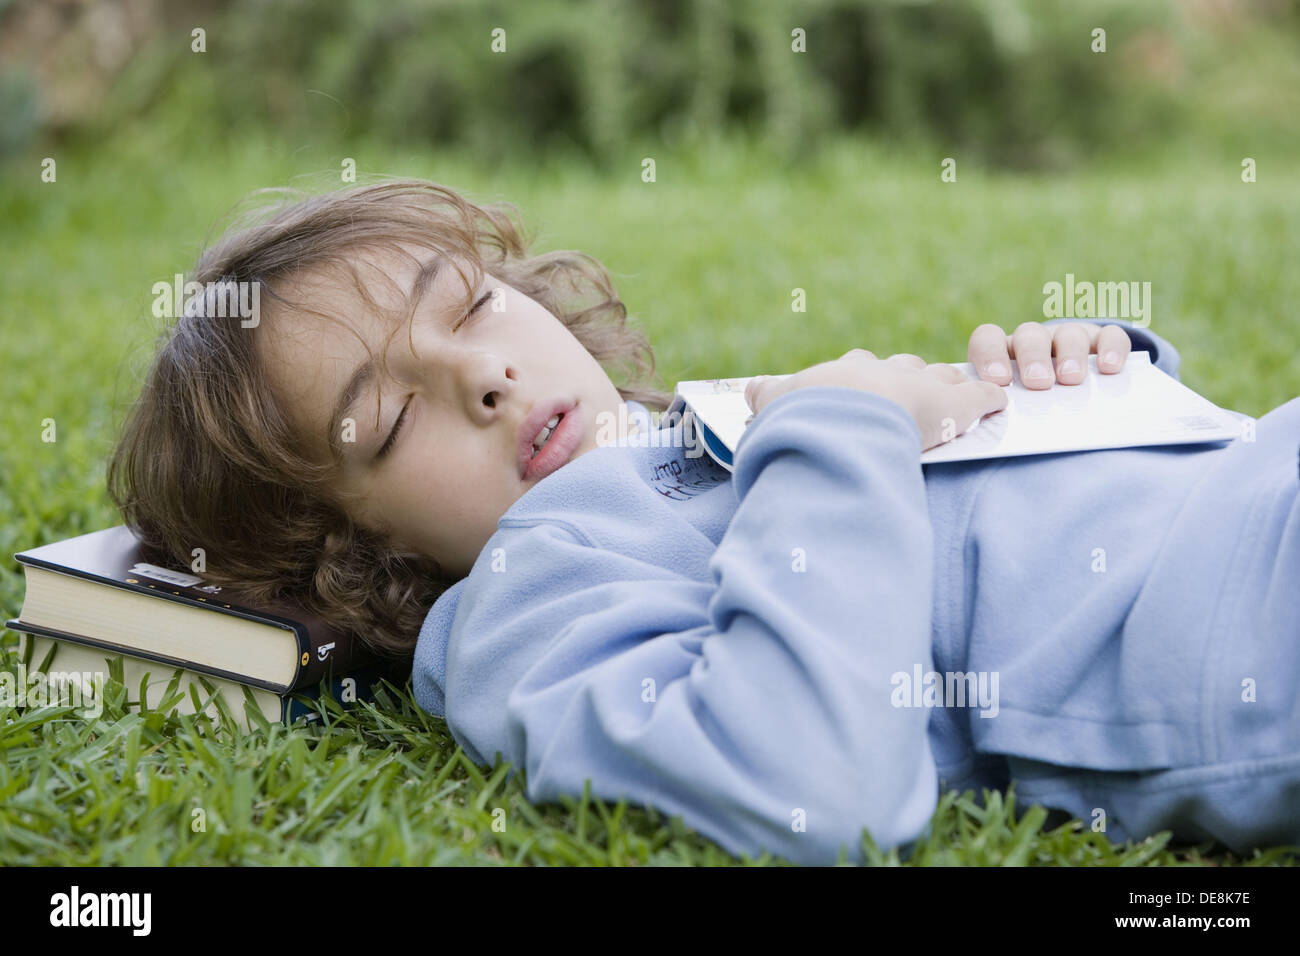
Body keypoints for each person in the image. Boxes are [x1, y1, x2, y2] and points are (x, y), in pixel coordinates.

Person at [109, 179, 1300, 865]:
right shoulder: (534, 584)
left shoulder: (694, 428)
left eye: (469, 304)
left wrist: (1083, 378)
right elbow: (809, 782)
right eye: (386, 421)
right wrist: (841, 431)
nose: (484, 376)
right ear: (343, 558)